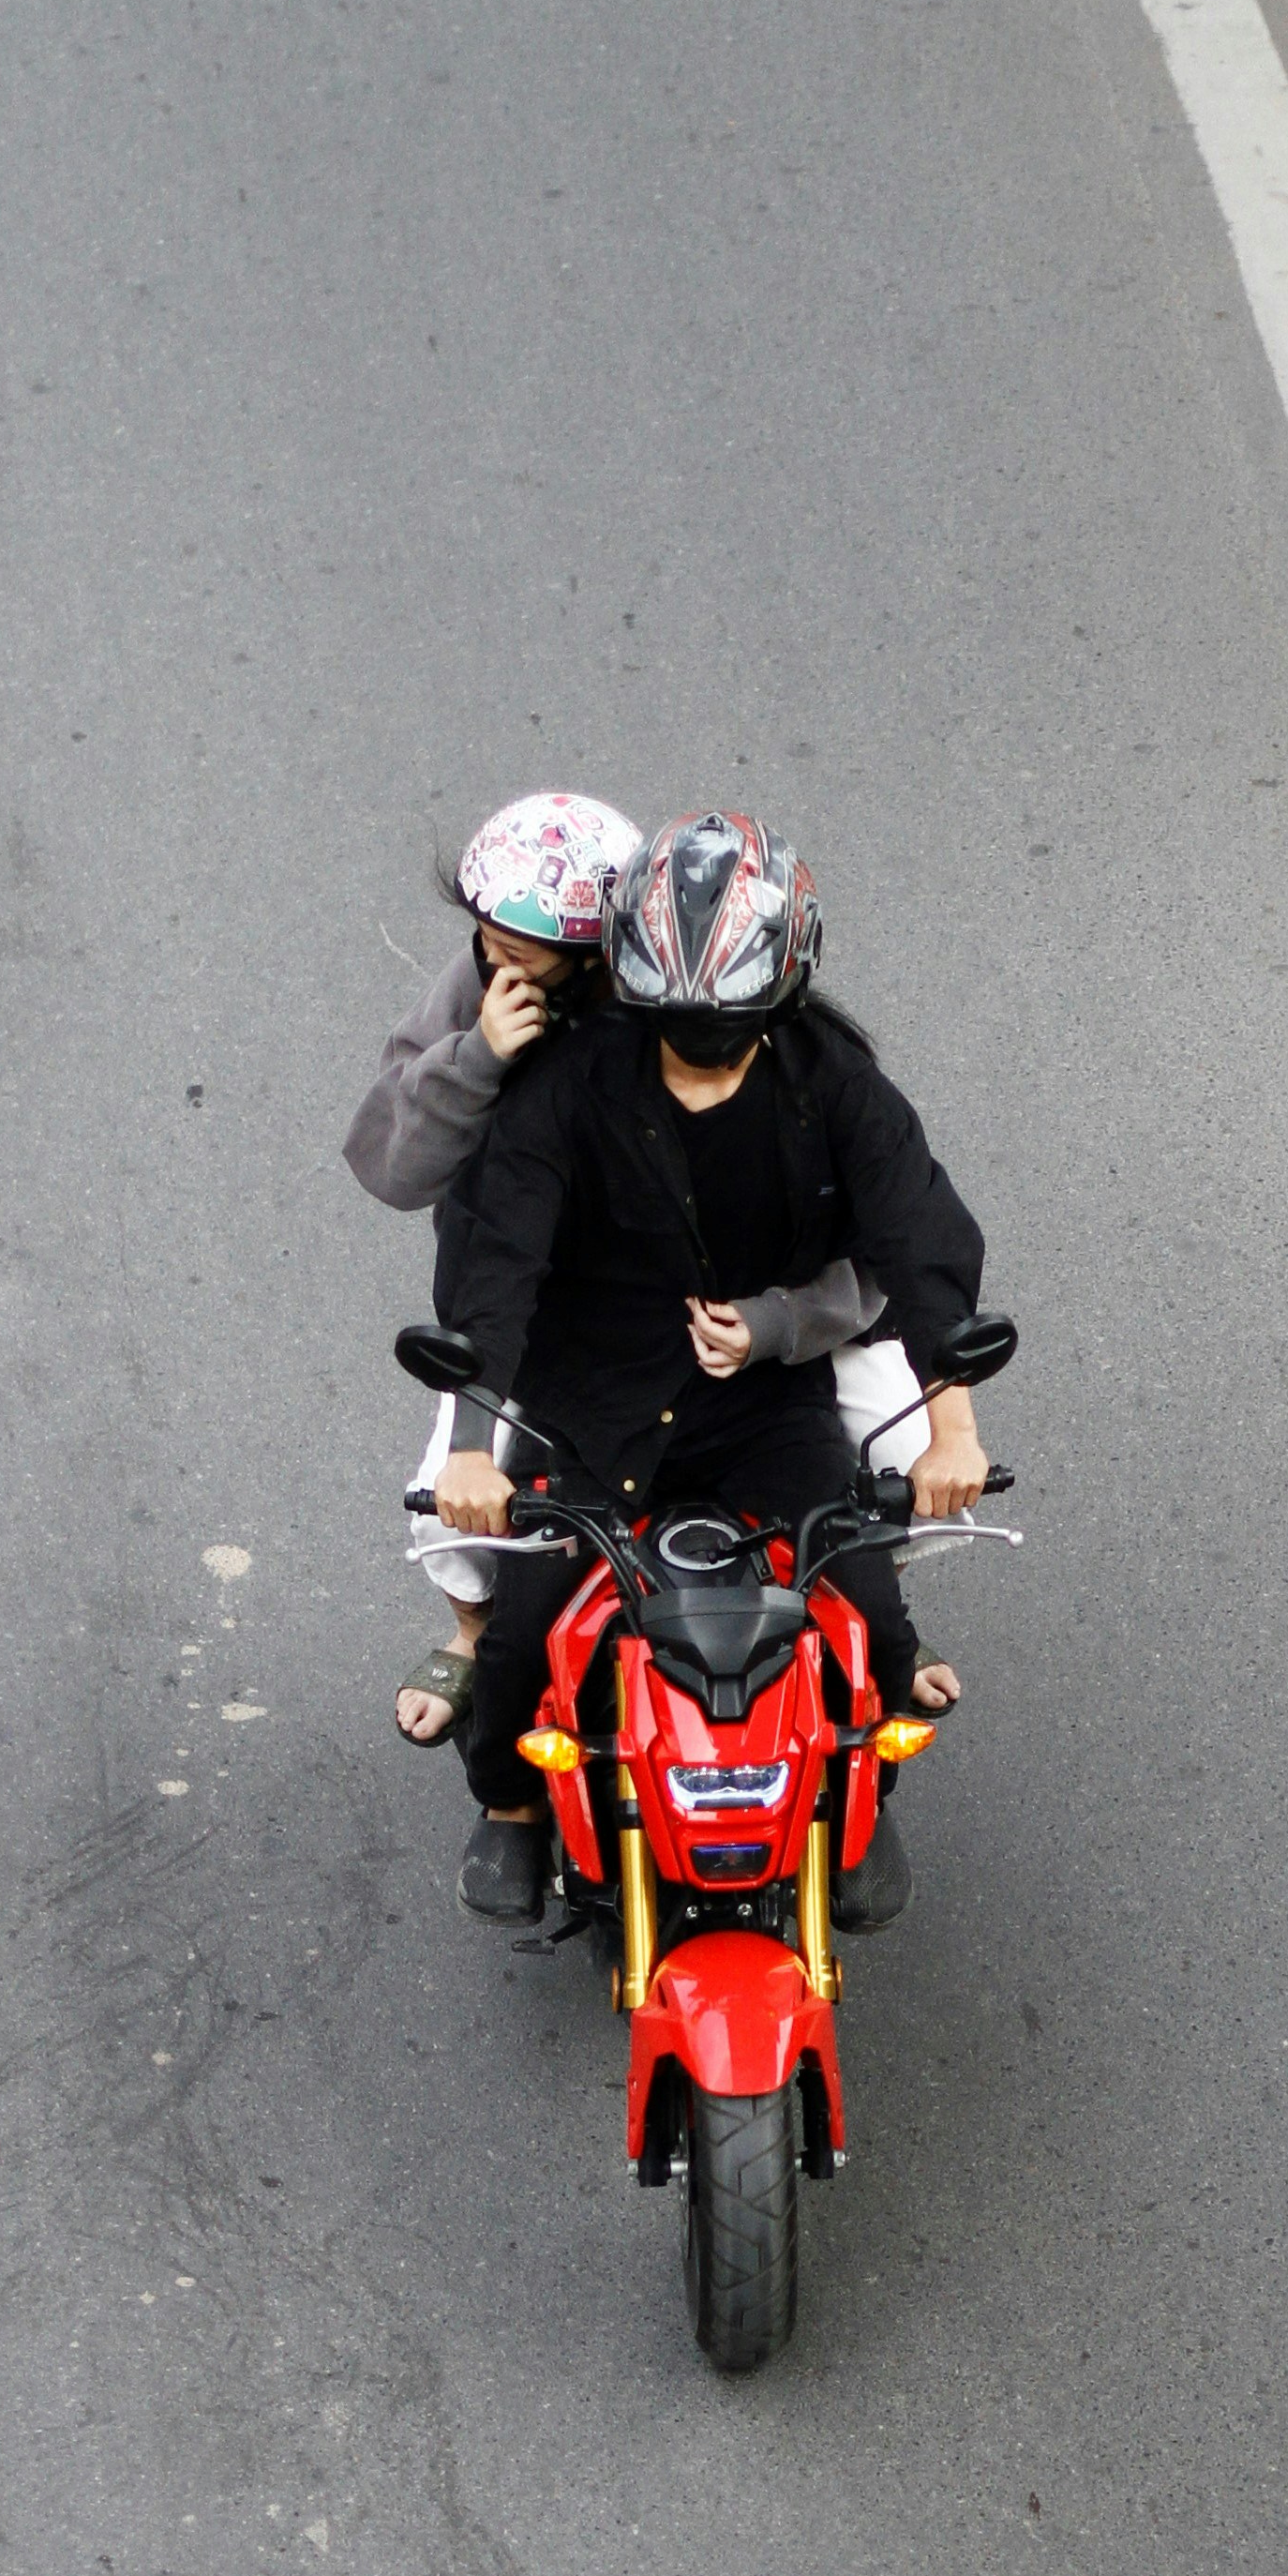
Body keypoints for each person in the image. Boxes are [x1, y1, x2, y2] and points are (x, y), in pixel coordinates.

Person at [430, 811, 992, 1928]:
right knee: (521, 1651)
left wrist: (955, 1425)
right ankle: (508, 1812)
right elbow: (496, 1260)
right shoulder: (566, 1089)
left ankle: (859, 1804)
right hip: (593, 1404)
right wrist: (469, 1447)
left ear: (779, 992)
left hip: (762, 1413)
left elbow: (921, 1244)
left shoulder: (838, 1087)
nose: (699, 1041)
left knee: (873, 1630)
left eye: (725, 1022)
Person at [342, 792, 927, 1744]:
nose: (495, 956)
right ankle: (473, 1634)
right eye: (485, 935)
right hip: (560, 1312)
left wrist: (784, 1318)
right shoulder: (482, 983)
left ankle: (866, 1618)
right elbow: (393, 1168)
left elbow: (877, 1228)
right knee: (458, 1519)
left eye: (523, 945)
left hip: (764, 1313)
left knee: (899, 1466)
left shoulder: (734, 1013)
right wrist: (478, 1058)